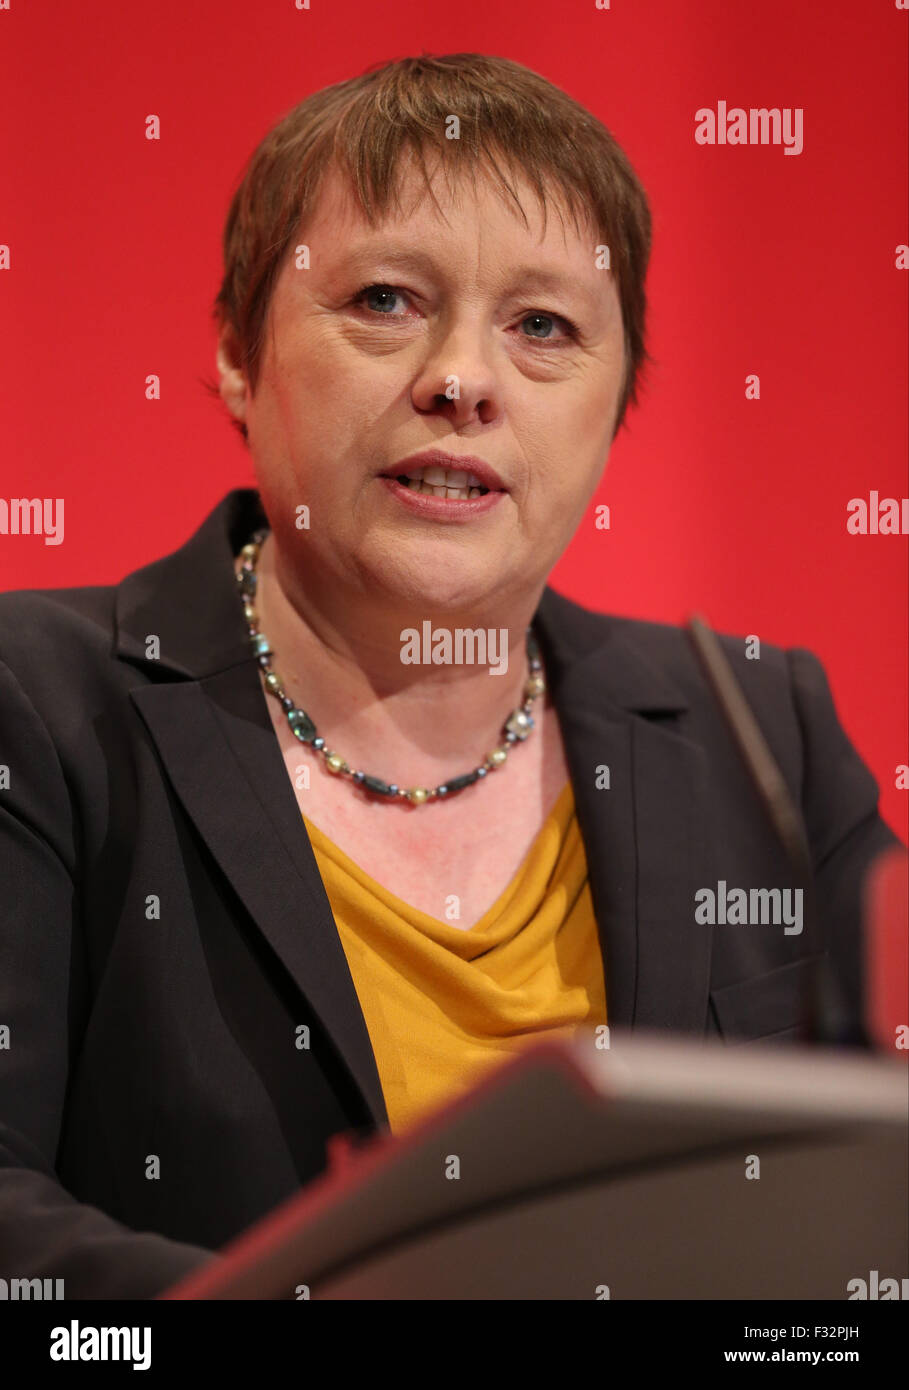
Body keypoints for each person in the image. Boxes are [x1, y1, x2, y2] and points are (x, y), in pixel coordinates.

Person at [0, 52, 899, 1299]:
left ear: (619, 399)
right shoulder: (39, 707)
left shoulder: (762, 729)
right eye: (383, 299)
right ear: (234, 356)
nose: (461, 380)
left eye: (544, 326)